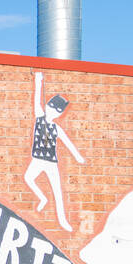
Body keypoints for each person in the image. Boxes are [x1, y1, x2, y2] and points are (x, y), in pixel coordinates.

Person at [24, 70, 85, 231]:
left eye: (56, 110)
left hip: (51, 162)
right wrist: (38, 81)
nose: (52, 110)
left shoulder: (56, 127)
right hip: (37, 159)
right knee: (28, 178)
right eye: (50, 106)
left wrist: (78, 157)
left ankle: (63, 220)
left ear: (60, 113)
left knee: (58, 191)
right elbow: (37, 99)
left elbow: (68, 143)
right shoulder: (39, 116)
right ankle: (42, 198)